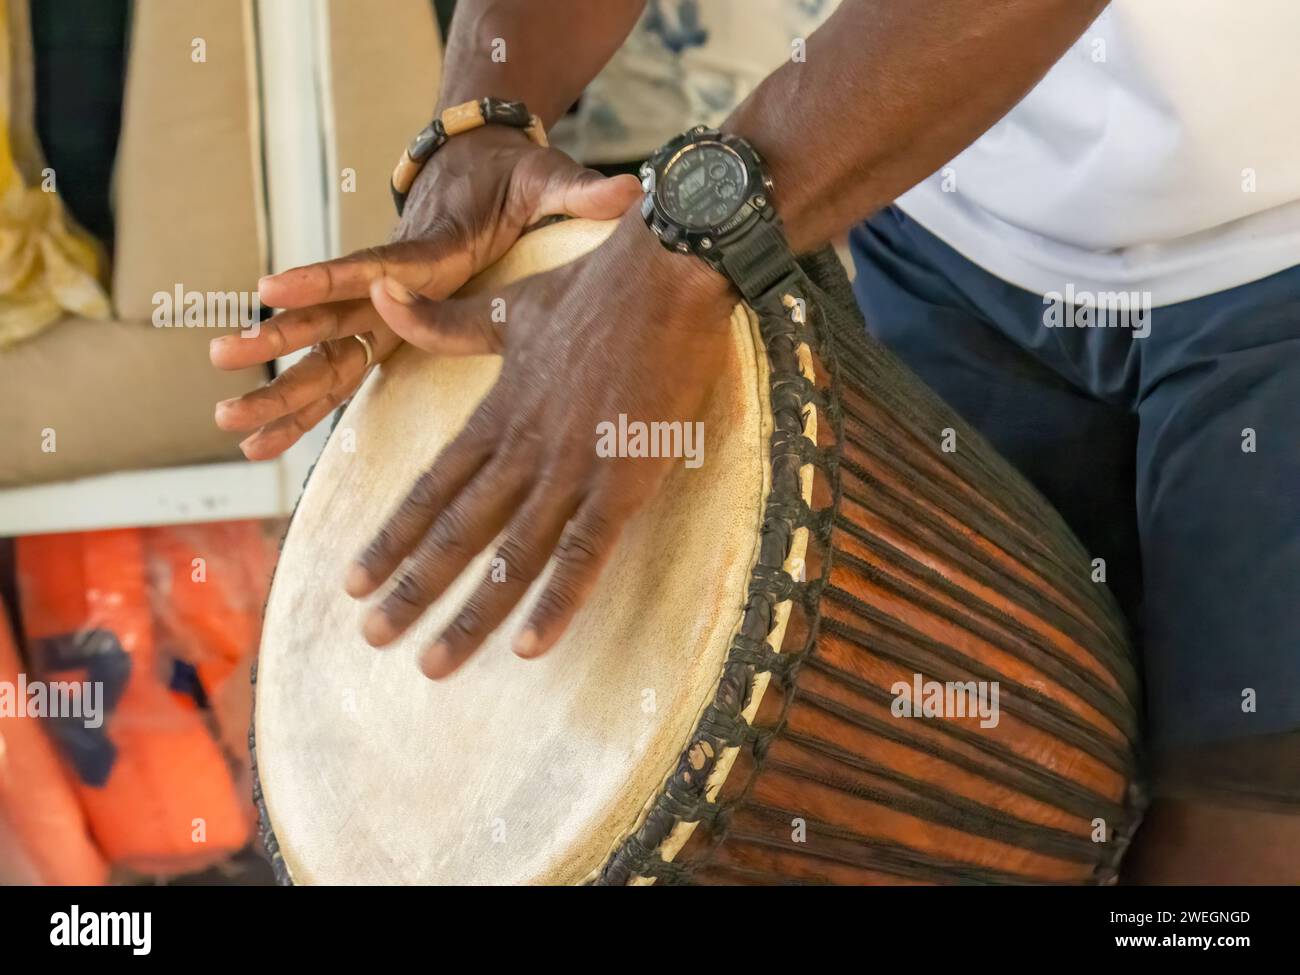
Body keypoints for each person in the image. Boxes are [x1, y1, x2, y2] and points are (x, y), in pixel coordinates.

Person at [210, 1, 1299, 882]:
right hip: (953, 217)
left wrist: (680, 258)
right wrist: (479, 126)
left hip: (1276, 233)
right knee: (954, 771)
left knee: (1242, 821)